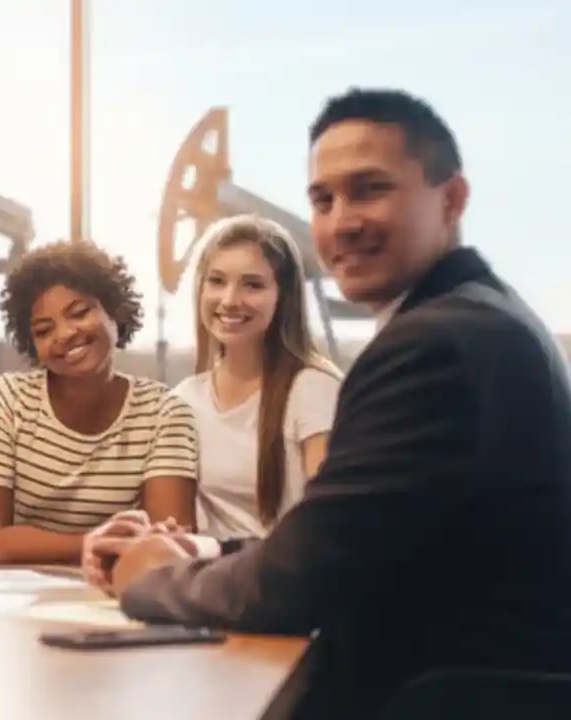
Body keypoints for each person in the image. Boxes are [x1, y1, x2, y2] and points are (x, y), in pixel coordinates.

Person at [84, 88, 571, 718]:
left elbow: (299, 585)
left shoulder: (434, 345)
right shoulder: (482, 318)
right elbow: (347, 539)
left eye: (370, 190)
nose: (343, 222)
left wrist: (150, 582)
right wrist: (204, 551)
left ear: (451, 199)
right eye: (323, 200)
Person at [0, 240, 199, 565]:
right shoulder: (3, 401)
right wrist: (93, 544)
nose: (64, 334)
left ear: (115, 311)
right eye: (43, 330)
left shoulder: (165, 412)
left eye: (79, 313)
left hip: (115, 587)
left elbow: (170, 547)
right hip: (13, 590)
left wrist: (113, 549)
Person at [171, 214, 342, 543]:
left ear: (283, 297)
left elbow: (330, 521)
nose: (230, 300)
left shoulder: (312, 388)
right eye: (217, 281)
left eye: (253, 285)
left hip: (287, 567)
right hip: (210, 566)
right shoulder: (184, 399)